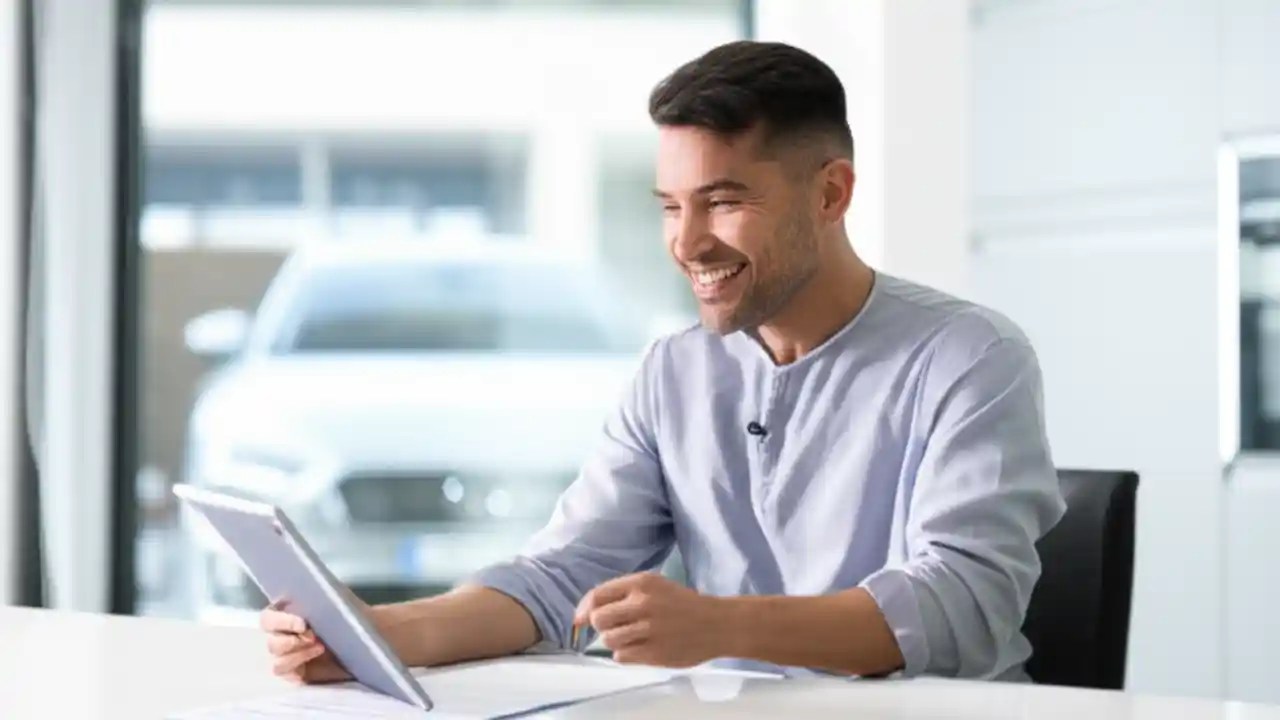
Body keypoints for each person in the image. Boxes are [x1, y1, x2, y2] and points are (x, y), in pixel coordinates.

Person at [260, 40, 1066, 683]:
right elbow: (559, 577)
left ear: (831, 194)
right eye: (672, 207)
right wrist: (372, 633)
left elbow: (962, 606)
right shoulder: (674, 372)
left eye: (724, 201)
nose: (686, 244)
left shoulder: (970, 357)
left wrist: (719, 626)